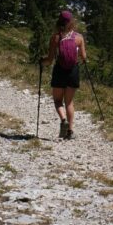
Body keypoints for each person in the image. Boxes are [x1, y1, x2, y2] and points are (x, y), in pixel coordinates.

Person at [41, 10, 87, 139]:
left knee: (57, 100)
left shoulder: (55, 37)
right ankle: (70, 132)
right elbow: (84, 57)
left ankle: (63, 120)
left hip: (59, 71)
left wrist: (42, 61)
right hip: (73, 71)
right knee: (69, 102)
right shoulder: (79, 37)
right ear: (71, 21)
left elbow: (50, 60)